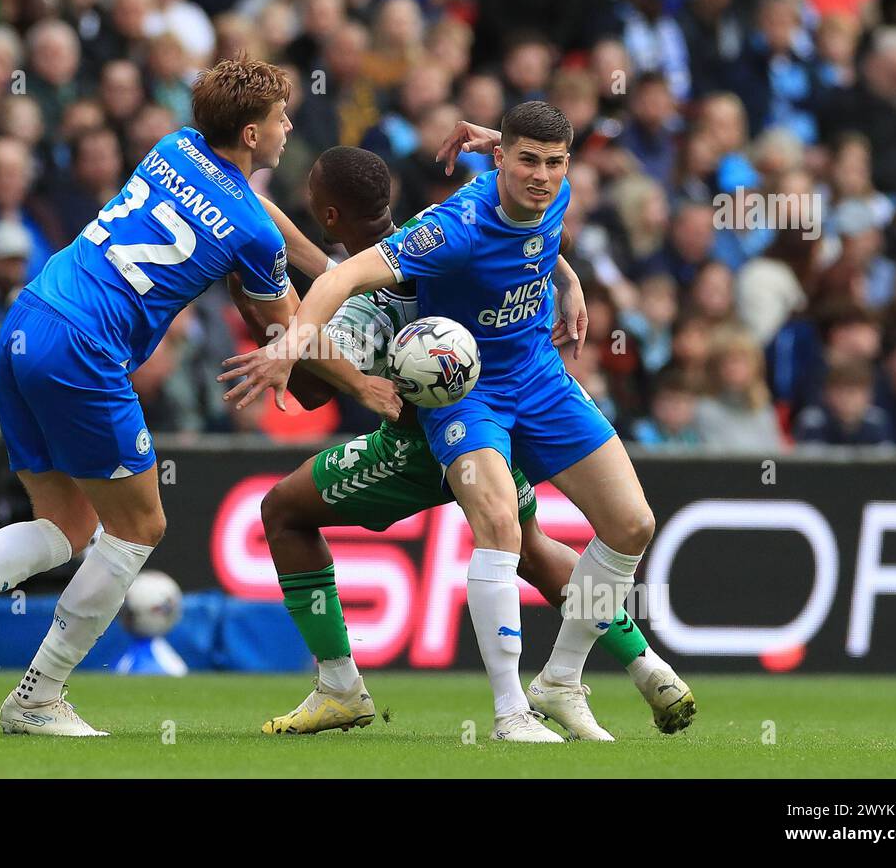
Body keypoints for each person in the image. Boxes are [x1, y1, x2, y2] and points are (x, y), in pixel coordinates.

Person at [0, 58, 401, 736]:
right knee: (141, 528)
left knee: (67, 528)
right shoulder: (247, 233)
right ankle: (36, 697)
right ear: (252, 134)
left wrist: (336, 269)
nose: (288, 126)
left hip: (27, 320)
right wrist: (364, 385)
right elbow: (293, 329)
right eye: (281, 118)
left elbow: (256, 210)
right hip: (86, 349)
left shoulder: (176, 147)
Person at [223, 106, 660, 742]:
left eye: (551, 161)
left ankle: (341, 686)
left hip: (423, 439)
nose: (542, 174)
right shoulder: (425, 237)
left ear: (329, 213)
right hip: (491, 413)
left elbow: (316, 380)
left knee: (284, 511)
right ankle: (640, 663)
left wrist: (271, 321)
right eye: (526, 158)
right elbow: (325, 263)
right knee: (534, 548)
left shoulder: (402, 272)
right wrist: (567, 276)